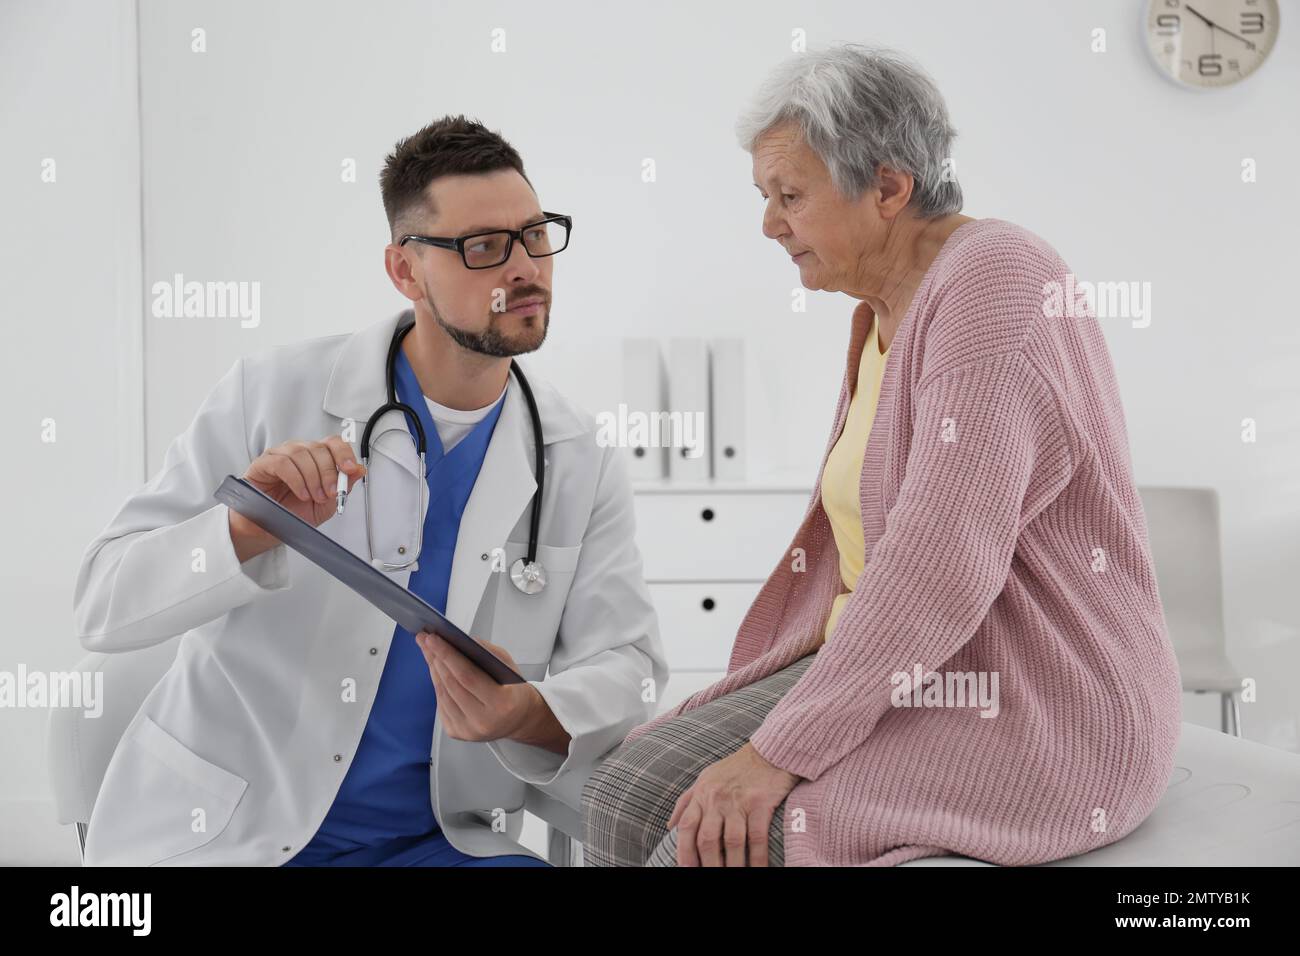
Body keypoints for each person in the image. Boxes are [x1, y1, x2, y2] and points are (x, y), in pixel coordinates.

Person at [582, 44, 1182, 867]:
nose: (768, 223)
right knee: (622, 793)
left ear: (890, 188)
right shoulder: (881, 310)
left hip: (1034, 698)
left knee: (718, 844)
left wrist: (774, 757)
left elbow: (940, 565)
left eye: (790, 195)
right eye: (765, 197)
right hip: (895, 660)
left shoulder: (996, 283)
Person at [74, 115, 666, 866]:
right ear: (405, 271)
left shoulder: (575, 454)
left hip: (430, 843)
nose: (526, 269)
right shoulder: (273, 392)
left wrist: (531, 709)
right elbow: (103, 601)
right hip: (224, 834)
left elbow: (629, 665)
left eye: (536, 235)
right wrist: (245, 533)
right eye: (483, 247)